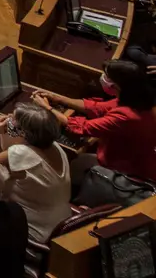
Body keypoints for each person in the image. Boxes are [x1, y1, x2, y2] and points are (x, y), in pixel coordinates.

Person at [31, 60, 156, 192]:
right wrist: (58, 99)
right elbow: (96, 107)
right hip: (127, 156)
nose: (103, 78)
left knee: (70, 166)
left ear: (117, 86)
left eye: (107, 76)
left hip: (125, 170)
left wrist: (47, 108)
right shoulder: (136, 99)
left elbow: (84, 127)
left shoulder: (126, 116)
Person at [0, 102, 71, 245]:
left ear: (23, 132)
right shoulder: (53, 146)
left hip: (33, 232)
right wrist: (9, 130)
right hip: (59, 223)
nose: (8, 117)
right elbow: (10, 149)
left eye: (13, 118)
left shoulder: (22, 154)